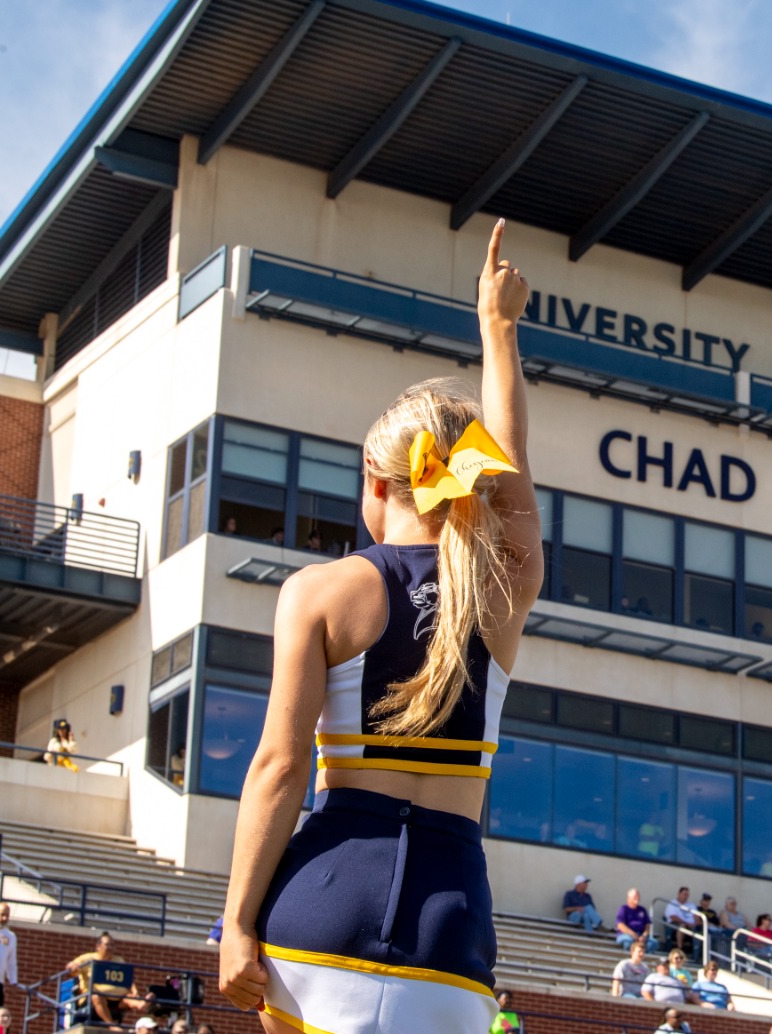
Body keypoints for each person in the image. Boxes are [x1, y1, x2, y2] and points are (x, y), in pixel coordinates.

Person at [217, 220, 542, 1034]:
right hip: (452, 920)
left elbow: (278, 768)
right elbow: (512, 466)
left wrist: (236, 924)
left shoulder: (320, 591)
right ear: (472, 483)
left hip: (319, 902)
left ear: (374, 480)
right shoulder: (504, 588)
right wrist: (498, 330)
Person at [65, 932, 152, 1026]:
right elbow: (72, 967)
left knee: (128, 997)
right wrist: (71, 966)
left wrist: (135, 991)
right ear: (98, 946)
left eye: (112, 945)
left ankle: (141, 1004)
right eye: (107, 944)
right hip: (94, 999)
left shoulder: (119, 960)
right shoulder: (88, 959)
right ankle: (110, 1024)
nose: (110, 947)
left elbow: (128, 978)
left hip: (118, 1000)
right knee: (96, 996)